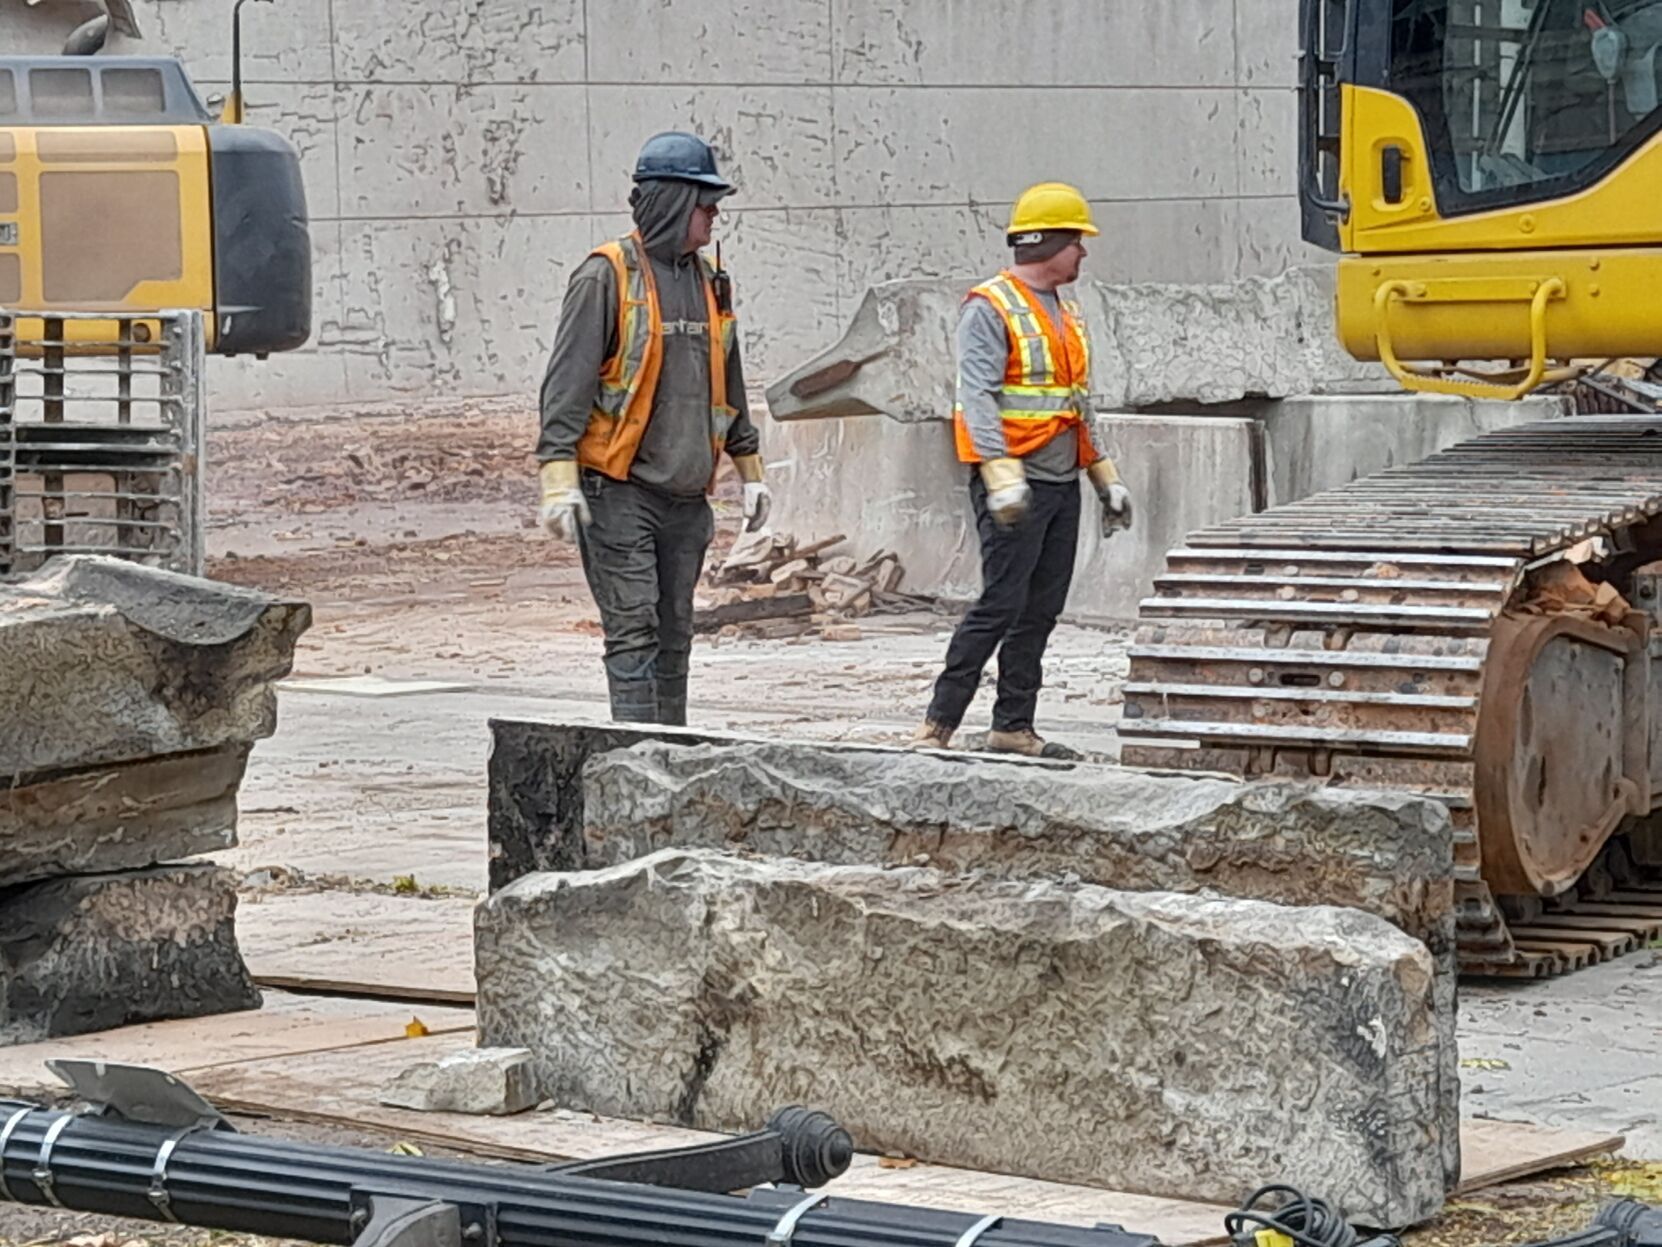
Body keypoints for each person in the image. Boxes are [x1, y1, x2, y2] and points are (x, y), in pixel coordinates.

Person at [535, 131, 771, 726]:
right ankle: (635, 761)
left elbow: (729, 379)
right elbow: (567, 385)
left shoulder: (710, 280)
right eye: (705, 203)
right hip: (620, 492)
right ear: (670, 202)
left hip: (686, 498)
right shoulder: (606, 277)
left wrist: (751, 471)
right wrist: (557, 478)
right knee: (634, 631)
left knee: (675, 633)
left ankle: (671, 756)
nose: (715, 215)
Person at [911, 182, 1133, 757]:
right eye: (1077, 241)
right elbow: (977, 396)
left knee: (1040, 609)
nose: (1083, 252)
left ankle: (1013, 725)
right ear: (1049, 242)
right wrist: (999, 472)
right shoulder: (990, 307)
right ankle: (938, 725)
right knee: (1001, 603)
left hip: (1060, 484)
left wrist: (1102, 473)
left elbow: (1077, 401)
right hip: (1015, 482)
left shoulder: (1066, 312)